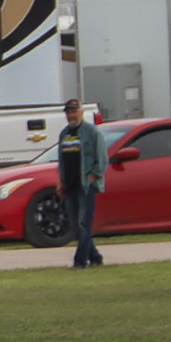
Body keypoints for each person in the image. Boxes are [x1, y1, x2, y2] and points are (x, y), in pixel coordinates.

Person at [52, 99, 107, 268]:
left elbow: (102, 159)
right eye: (68, 112)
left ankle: (80, 261)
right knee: (76, 227)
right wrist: (60, 181)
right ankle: (95, 257)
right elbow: (61, 160)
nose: (71, 115)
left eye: (74, 111)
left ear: (81, 112)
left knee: (84, 224)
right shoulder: (64, 134)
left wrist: (94, 175)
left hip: (85, 185)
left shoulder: (92, 132)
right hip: (70, 185)